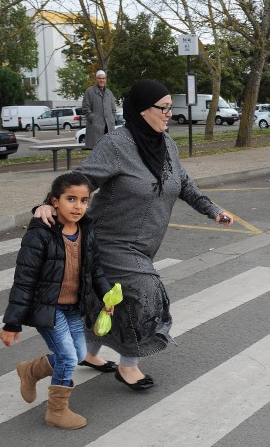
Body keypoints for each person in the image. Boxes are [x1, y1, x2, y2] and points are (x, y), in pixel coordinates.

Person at [35, 79, 234, 391]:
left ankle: (77, 355)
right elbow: (82, 180)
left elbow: (182, 182)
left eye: (171, 107)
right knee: (146, 295)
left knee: (111, 304)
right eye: (163, 108)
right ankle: (129, 366)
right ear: (142, 111)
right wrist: (49, 204)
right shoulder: (116, 145)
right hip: (108, 242)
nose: (170, 113)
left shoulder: (166, 144)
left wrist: (212, 210)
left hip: (143, 246)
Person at [0, 171, 114, 430]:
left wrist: (106, 294)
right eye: (70, 199)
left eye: (84, 200)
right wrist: (11, 323)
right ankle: (57, 411)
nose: (78, 206)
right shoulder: (41, 233)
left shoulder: (86, 229)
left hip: (73, 307)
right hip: (48, 308)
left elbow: (94, 269)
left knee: (77, 354)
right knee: (67, 357)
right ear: (54, 201)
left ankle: (31, 370)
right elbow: (24, 279)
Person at [82, 70, 117, 150]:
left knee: (109, 151)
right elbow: (85, 108)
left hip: (109, 127)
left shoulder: (109, 93)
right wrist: (93, 119)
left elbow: (113, 109)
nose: (102, 80)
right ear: (96, 79)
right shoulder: (90, 92)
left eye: (103, 78)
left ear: (106, 79)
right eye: (99, 78)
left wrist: (113, 119)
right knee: (96, 151)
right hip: (95, 128)